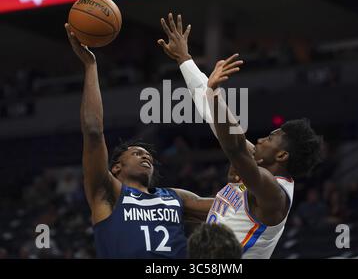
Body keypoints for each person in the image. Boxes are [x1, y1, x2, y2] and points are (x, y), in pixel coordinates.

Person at [158, 13, 322, 258]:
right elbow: (216, 121)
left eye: (269, 138)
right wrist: (185, 59)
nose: (259, 140)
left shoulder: (273, 193)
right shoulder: (255, 174)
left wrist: (215, 93)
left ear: (282, 154)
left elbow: (234, 146)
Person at [64, 23, 213, 259]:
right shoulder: (108, 193)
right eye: (136, 153)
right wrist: (90, 65)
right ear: (116, 167)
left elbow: (232, 209)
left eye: (148, 155)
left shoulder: (176, 197)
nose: (146, 156)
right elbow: (93, 131)